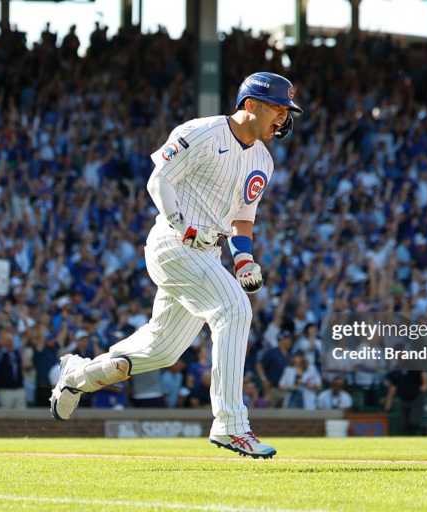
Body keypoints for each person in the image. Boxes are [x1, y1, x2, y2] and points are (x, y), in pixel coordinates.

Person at [50, 71, 301, 459]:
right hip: (172, 244)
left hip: (207, 252)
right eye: (277, 108)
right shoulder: (202, 132)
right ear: (250, 105)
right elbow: (158, 182)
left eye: (287, 111)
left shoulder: (263, 160)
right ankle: (231, 425)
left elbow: (241, 218)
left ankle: (77, 376)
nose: (283, 117)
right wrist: (183, 226)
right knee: (234, 309)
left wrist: (245, 258)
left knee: (161, 350)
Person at [384, 363, 427, 436]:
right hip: (403, 399)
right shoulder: (397, 368)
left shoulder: (413, 364)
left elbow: (424, 373)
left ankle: (424, 427)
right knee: (405, 424)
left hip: (416, 398)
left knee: (414, 421)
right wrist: (389, 400)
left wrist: (425, 384)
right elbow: (394, 385)